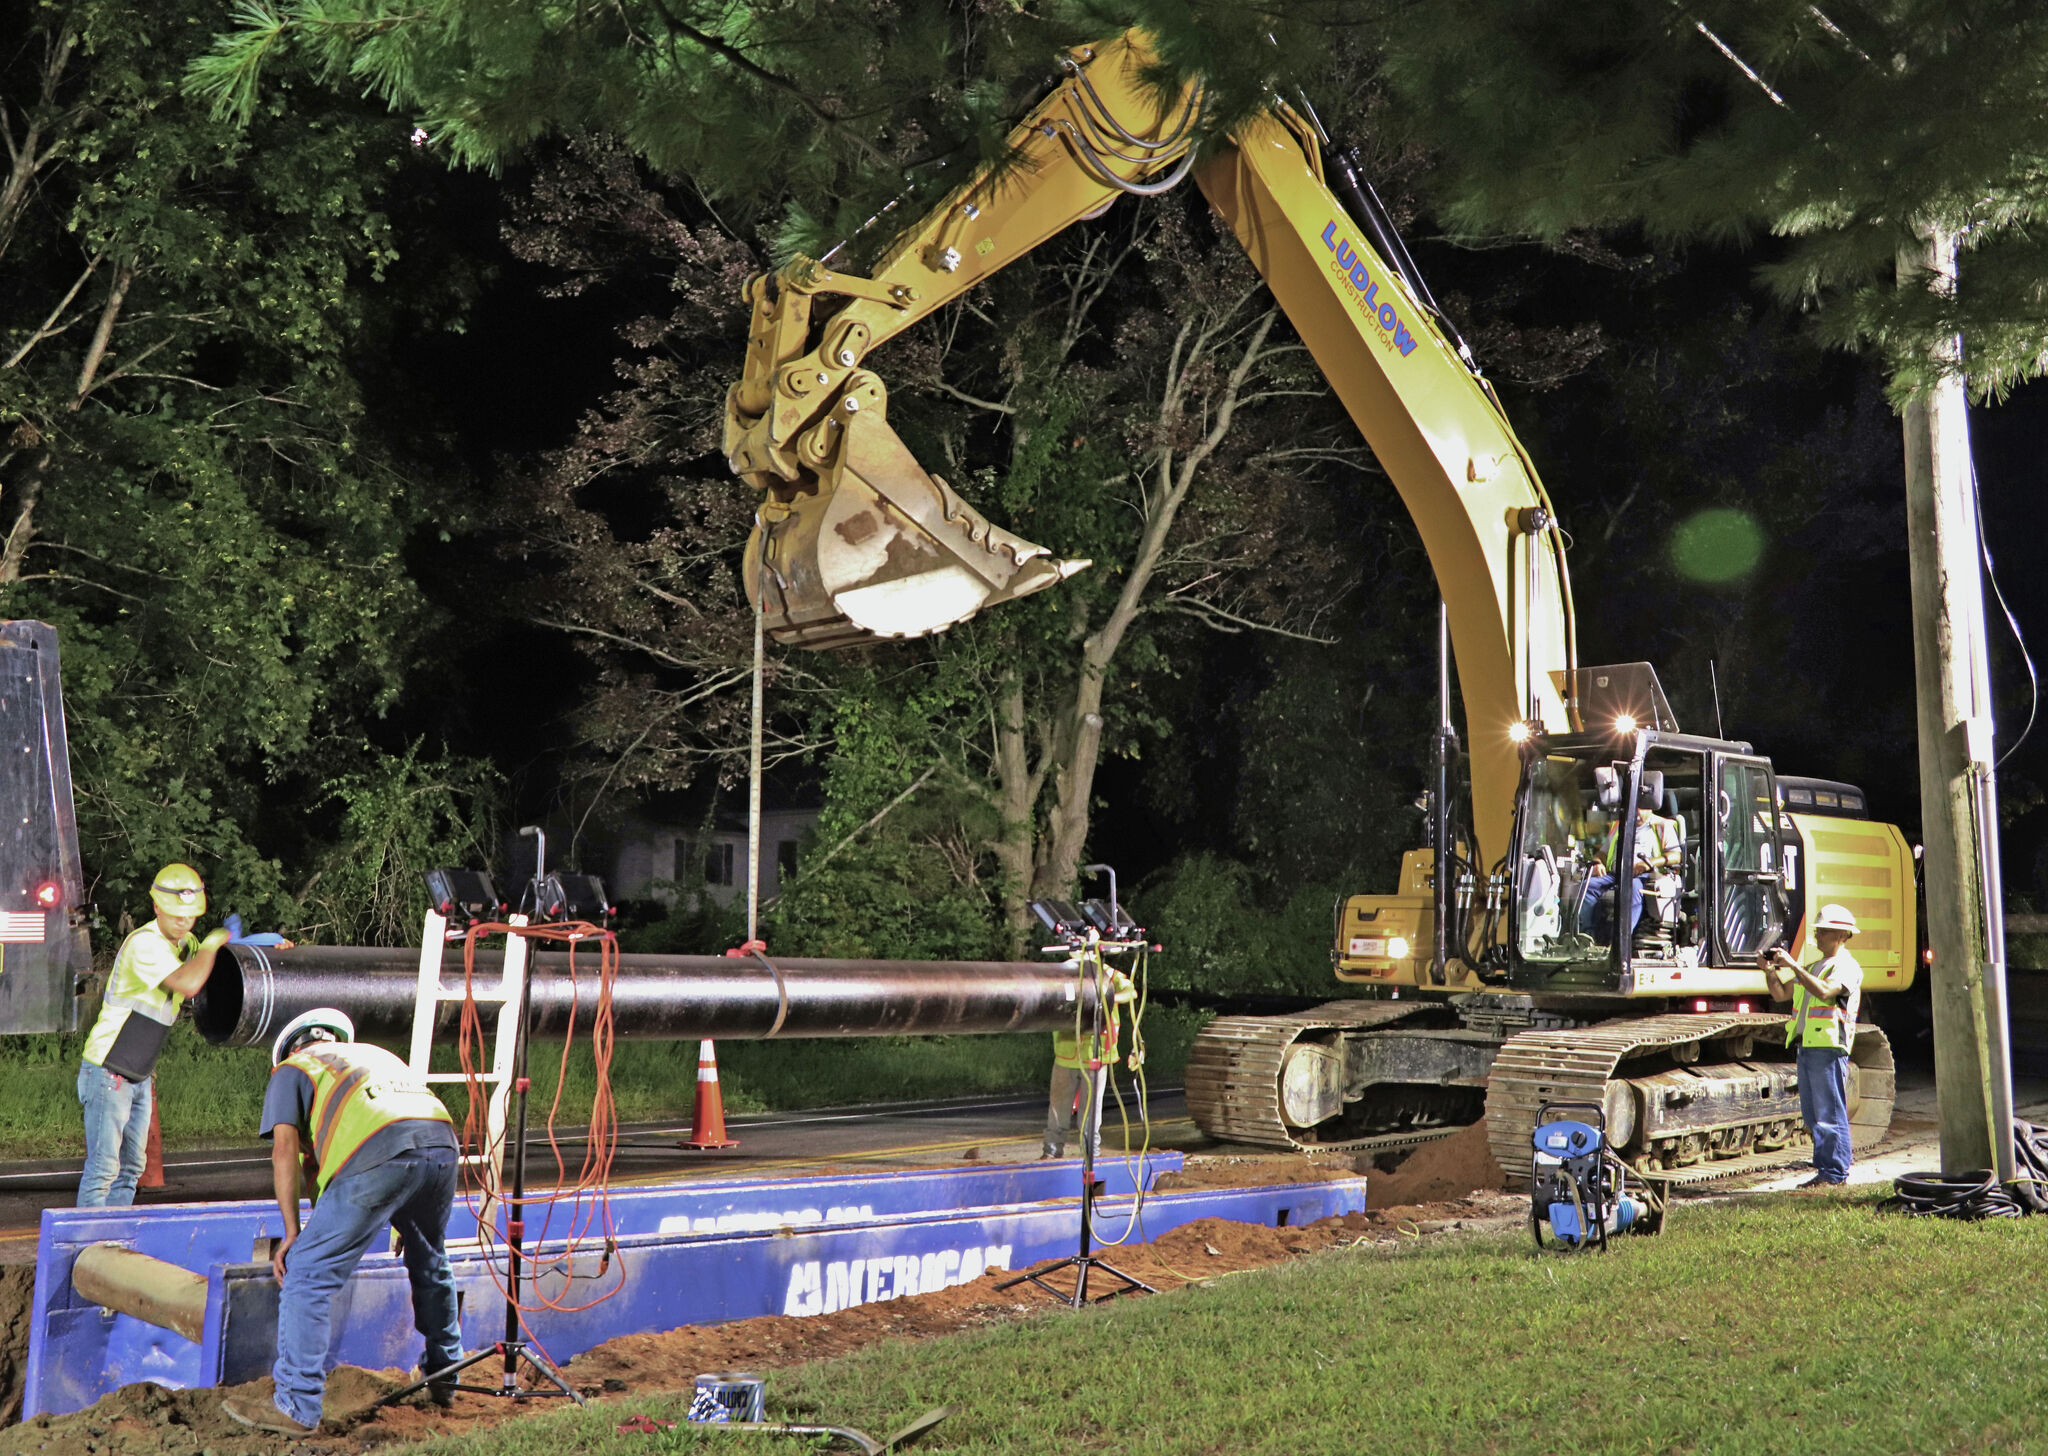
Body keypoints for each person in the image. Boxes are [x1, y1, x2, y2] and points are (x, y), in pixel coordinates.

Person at [220, 1008, 465, 1435]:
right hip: (441, 1143)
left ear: (290, 1050)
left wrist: (293, 1234)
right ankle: (443, 1377)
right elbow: (345, 1162)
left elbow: (285, 1152)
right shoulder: (375, 1058)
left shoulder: (293, 1070)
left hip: (379, 1151)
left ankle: (296, 1405)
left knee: (307, 1274)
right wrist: (398, 1214)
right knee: (430, 1260)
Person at [76, 864, 230, 1206]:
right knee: (104, 1168)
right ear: (157, 907)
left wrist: (265, 944)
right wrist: (212, 943)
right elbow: (189, 984)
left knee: (132, 1168)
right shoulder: (145, 945)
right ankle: (86, 1248)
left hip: (138, 1072)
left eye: (190, 916)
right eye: (176, 915)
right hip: (109, 1070)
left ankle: (112, 1244)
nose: (184, 923)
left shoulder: (185, 943)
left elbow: (215, 961)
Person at [1765, 904, 1865, 1188]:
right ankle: (1826, 1172)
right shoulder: (1812, 968)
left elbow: (1825, 992)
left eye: (1823, 931)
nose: (1817, 935)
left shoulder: (1846, 967)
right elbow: (1781, 992)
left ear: (1841, 935)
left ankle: (1834, 1175)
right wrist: (1770, 971)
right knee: (1814, 1115)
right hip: (1808, 1047)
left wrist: (1794, 965)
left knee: (1829, 1115)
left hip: (1829, 1047)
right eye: (1818, 930)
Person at [1042, 964, 1135, 1159]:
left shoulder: (1108, 973)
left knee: (1091, 1111)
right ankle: (1051, 1152)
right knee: (1058, 1109)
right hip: (1067, 1052)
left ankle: (1090, 1154)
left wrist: (1108, 998)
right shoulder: (1065, 971)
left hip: (1096, 1053)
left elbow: (1130, 991)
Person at [1578, 801, 1682, 944]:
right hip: (1615, 875)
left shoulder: (1662, 826)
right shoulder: (1619, 826)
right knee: (1586, 886)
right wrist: (1597, 863)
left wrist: (1649, 863)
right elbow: (1601, 854)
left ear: (1650, 808)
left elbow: (1676, 855)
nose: (1637, 812)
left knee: (1632, 890)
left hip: (1644, 877)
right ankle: (1588, 937)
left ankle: (1622, 940)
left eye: (1642, 807)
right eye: (1634, 807)